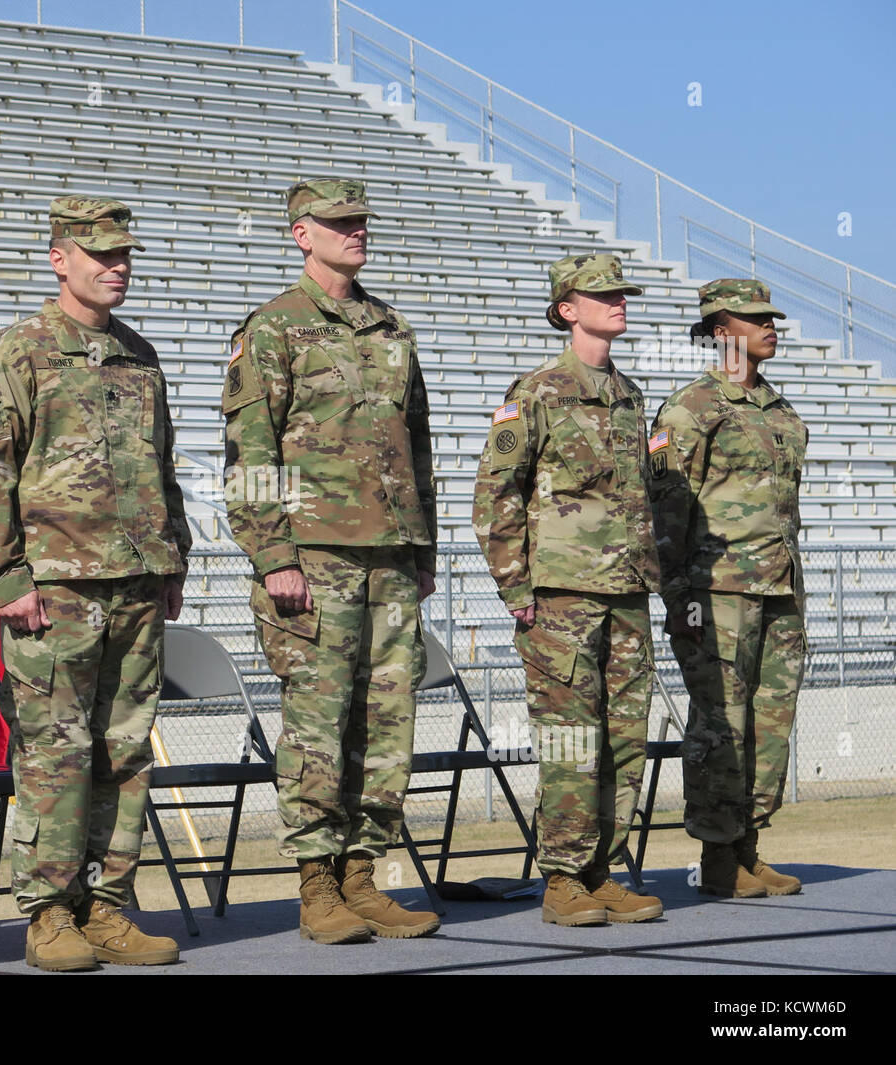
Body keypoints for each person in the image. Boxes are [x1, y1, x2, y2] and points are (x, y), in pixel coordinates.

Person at [0, 196, 191, 971]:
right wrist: (4, 573)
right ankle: (50, 912)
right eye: (101, 256)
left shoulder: (140, 355)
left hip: (136, 581)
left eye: (124, 256)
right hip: (52, 588)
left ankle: (109, 905)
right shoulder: (17, 353)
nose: (116, 268)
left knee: (124, 754)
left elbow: (163, 469)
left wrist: (174, 560)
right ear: (60, 258)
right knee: (56, 754)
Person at [222, 178, 439, 944]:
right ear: (300, 234)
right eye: (339, 223)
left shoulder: (391, 327)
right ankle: (316, 885)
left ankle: (362, 875)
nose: (357, 232)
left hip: (390, 555)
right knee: (317, 726)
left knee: (388, 723)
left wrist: (424, 549)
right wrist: (273, 553)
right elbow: (250, 451)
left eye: (361, 222)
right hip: (313, 559)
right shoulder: (275, 327)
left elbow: (417, 446)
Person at [472, 252, 663, 926]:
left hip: (627, 593)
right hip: (560, 596)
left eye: (622, 293)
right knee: (568, 739)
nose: (619, 302)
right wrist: (514, 584)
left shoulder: (631, 397)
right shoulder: (538, 391)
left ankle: (602, 870)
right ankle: (561, 878)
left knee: (625, 739)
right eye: (603, 294)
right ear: (567, 307)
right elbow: (496, 493)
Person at [650, 279, 807, 899]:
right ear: (720, 331)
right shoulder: (690, 409)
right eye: (755, 318)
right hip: (716, 593)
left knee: (772, 724)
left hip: (779, 588)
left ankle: (748, 847)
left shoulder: (781, 411)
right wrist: (679, 600)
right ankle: (717, 856)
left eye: (773, 316)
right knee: (721, 723)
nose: (771, 326)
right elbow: (666, 515)